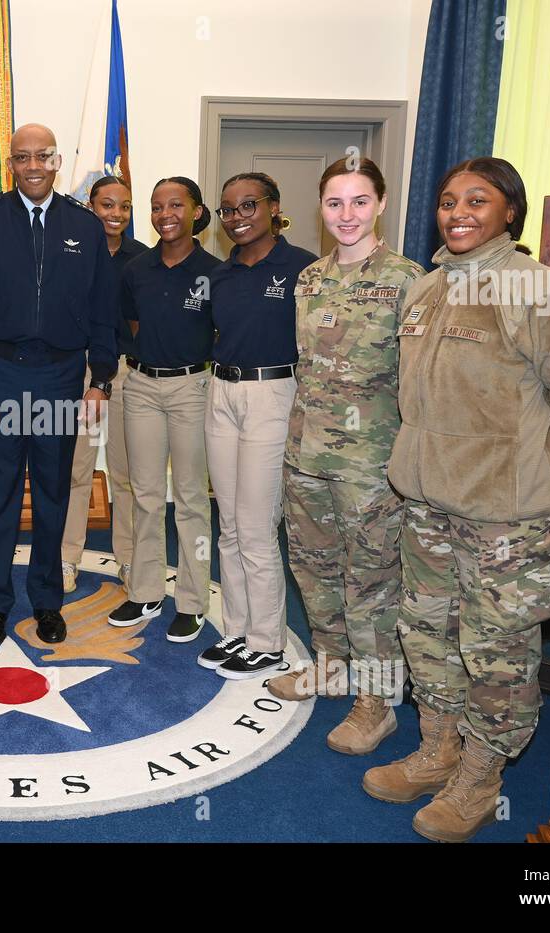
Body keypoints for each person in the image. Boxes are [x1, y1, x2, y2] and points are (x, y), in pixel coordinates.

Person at [362, 157, 550, 842]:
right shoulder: (424, 291)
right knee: (426, 632)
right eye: (448, 200)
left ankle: (480, 777)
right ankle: (439, 748)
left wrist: (533, 475)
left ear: (512, 210)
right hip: (426, 506)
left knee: (497, 650)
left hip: (505, 520)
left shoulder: (548, 293)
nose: (458, 212)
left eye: (478, 200)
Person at [266, 158, 426, 757]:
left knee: (373, 585)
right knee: (313, 569)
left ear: (380, 204)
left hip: (371, 465)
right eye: (335, 204)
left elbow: (420, 380)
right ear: (321, 208)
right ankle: (333, 668)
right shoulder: (310, 280)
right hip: (307, 455)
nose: (347, 215)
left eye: (359, 202)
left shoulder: (410, 280)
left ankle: (377, 702)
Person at [0, 123, 117, 646]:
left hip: (62, 378)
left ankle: (47, 600)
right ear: (11, 165)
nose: (35, 166)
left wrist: (100, 381)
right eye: (23, 158)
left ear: (57, 160)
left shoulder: (84, 226)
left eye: (43, 156)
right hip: (0, 375)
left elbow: (103, 311)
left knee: (51, 491)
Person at [199, 172, 317, 679]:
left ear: (273, 207)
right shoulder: (221, 274)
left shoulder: (303, 268)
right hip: (221, 391)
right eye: (228, 209)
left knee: (255, 524)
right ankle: (238, 629)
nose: (237, 217)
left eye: (249, 205)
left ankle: (267, 641)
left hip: (273, 394)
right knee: (227, 522)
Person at [106, 176, 219, 643]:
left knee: (191, 498)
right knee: (145, 493)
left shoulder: (216, 271)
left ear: (195, 211)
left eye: (176, 205)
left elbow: (220, 331)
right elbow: (132, 324)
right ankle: (146, 590)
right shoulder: (136, 268)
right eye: (156, 206)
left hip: (193, 388)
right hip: (141, 387)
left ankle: (192, 601)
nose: (165, 214)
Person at [61, 175, 147, 593]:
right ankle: (66, 559)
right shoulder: (69, 254)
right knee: (76, 470)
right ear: (89, 207)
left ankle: (129, 559)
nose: (116, 214)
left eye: (124, 206)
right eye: (107, 205)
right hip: (81, 375)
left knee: (126, 474)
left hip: (128, 373)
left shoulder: (143, 258)